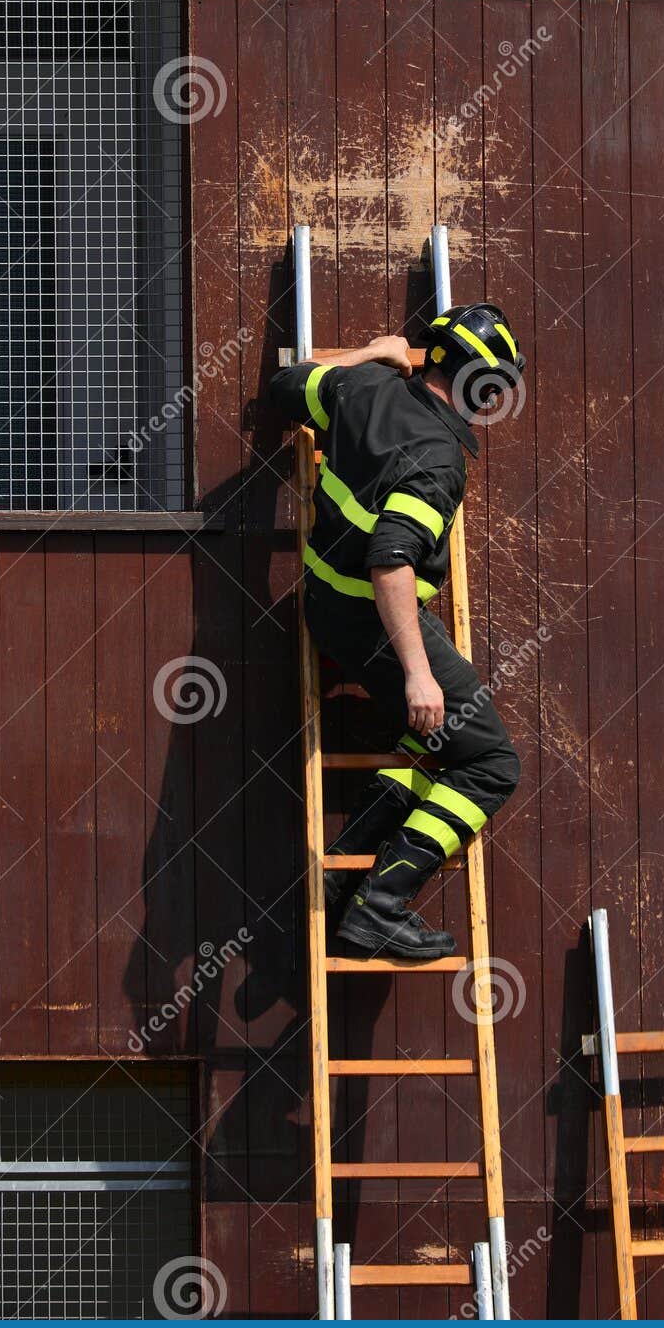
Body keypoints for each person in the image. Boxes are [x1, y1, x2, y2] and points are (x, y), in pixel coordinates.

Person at [270, 306, 524, 962]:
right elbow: (391, 560)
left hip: (324, 604)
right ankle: (380, 905)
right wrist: (416, 672)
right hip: (372, 624)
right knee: (491, 765)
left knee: (434, 739)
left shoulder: (363, 387)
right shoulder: (438, 460)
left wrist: (369, 353)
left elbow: (285, 386)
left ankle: (345, 872)